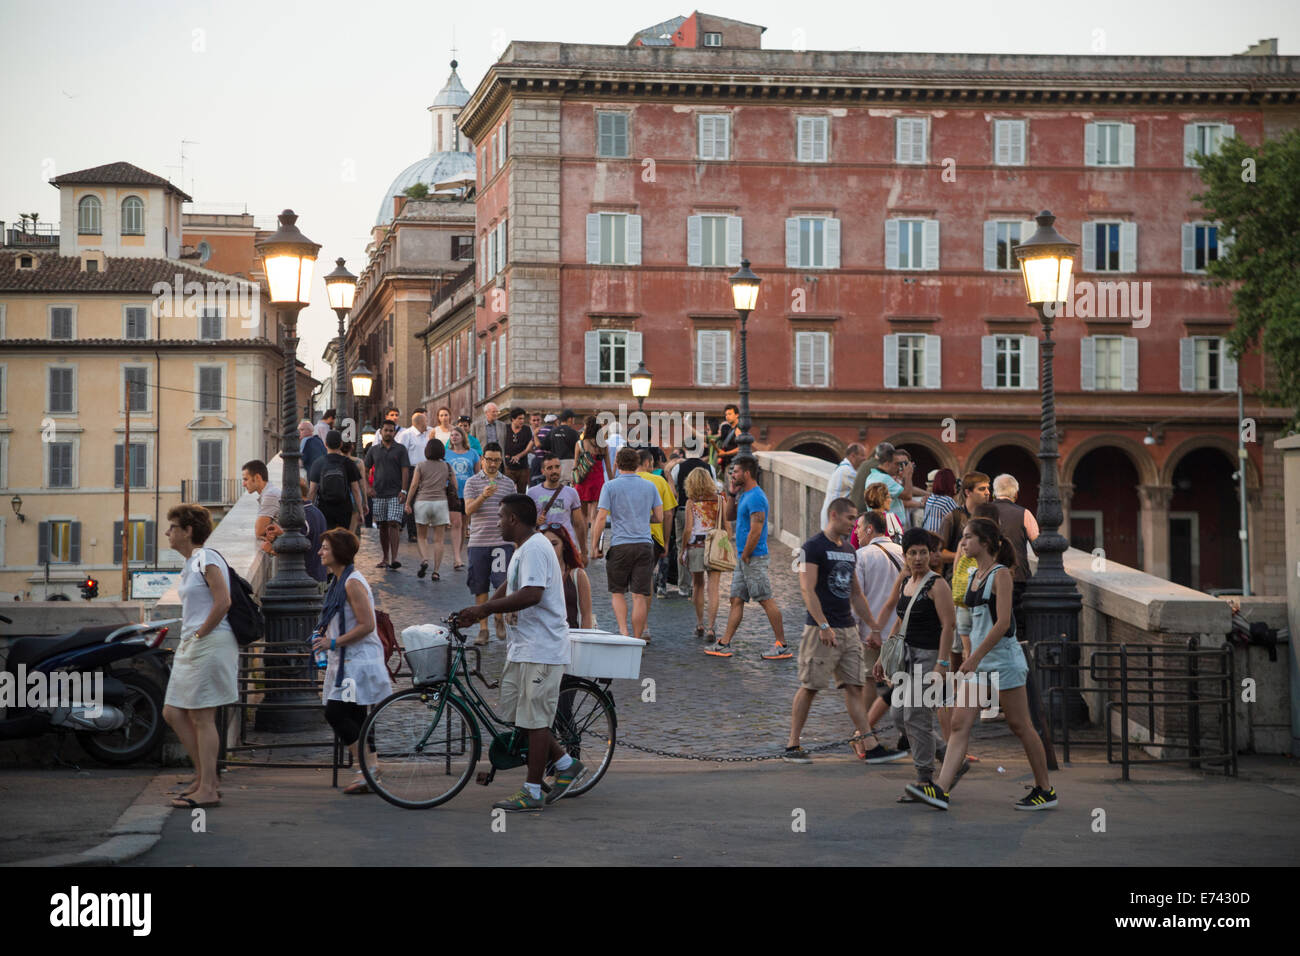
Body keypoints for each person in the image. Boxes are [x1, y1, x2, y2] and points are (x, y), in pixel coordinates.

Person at [908, 517, 1057, 811]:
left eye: (967, 537)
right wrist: (970, 655)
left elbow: (1002, 623)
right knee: (959, 723)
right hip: (979, 666)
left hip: (1003, 662)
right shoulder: (975, 573)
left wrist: (973, 657)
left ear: (985, 542)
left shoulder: (1001, 575)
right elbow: (971, 622)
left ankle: (1045, 789)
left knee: (1020, 725)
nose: (962, 543)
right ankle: (942, 789)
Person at [457, 494, 585, 812]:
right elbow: (511, 589)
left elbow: (531, 595)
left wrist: (484, 607)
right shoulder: (522, 549)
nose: (498, 522)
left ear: (513, 519)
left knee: (536, 718)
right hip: (522, 646)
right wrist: (481, 612)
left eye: (500, 517)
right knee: (520, 716)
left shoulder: (537, 548)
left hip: (541, 648)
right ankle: (566, 763)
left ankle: (532, 792)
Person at [783, 497, 890, 763]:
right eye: (850, 518)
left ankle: (869, 743)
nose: (854, 524)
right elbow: (807, 589)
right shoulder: (812, 547)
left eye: (856, 519)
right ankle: (792, 745)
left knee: (854, 687)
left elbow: (856, 593)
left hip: (848, 629)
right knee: (810, 686)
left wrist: (874, 626)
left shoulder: (849, 550)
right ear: (834, 515)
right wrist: (823, 625)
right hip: (821, 630)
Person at [871, 529, 958, 795]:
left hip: (928, 657)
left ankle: (925, 778)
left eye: (923, 552)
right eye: (912, 553)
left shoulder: (937, 584)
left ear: (931, 555)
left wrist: (941, 665)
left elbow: (949, 625)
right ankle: (951, 756)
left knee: (916, 716)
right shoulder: (906, 582)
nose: (918, 558)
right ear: (905, 556)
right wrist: (883, 656)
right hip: (906, 656)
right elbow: (899, 619)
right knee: (899, 715)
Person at [163, 504, 237, 810]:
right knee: (173, 712)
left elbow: (223, 601)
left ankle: (208, 787)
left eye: (172, 527)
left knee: (203, 717)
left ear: (188, 531)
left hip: (210, 642)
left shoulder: (207, 557)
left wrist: (199, 634)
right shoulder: (191, 562)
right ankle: (204, 777)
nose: (168, 532)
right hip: (194, 644)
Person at [311, 528, 392, 794]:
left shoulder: (351, 582)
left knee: (336, 712)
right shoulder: (339, 581)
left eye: (325, 547)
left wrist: (332, 642)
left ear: (339, 552)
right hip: (348, 662)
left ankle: (367, 767)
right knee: (357, 716)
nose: (320, 551)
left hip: (356, 664)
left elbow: (367, 624)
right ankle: (369, 774)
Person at [708, 458, 787, 659]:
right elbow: (729, 516)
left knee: (765, 599)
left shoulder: (757, 498)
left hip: (753, 557)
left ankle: (782, 645)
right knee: (736, 599)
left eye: (735, 472)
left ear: (747, 473)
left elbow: (756, 529)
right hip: (745, 558)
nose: (732, 475)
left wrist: (745, 555)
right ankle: (725, 643)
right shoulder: (744, 495)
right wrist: (732, 494)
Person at [853, 510, 909, 761]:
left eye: (858, 527)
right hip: (898, 630)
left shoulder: (861, 556)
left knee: (868, 682)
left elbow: (857, 597)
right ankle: (905, 734)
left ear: (869, 529)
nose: (855, 532)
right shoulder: (903, 554)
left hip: (870, 631)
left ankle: (864, 734)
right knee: (899, 682)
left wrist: (858, 629)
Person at [589, 447, 661, 641]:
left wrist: (594, 546)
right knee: (639, 595)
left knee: (618, 592)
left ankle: (624, 633)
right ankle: (637, 639)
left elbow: (601, 517)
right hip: (645, 545)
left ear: (617, 464)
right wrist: (642, 518)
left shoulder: (610, 487)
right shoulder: (649, 486)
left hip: (620, 544)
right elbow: (659, 517)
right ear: (637, 463)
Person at [462, 443, 515, 645]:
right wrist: (483, 496)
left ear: (501, 461)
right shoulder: (472, 483)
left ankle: (498, 618)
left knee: (502, 583)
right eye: (489, 459)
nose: (493, 464)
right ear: (482, 459)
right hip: (478, 541)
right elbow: (468, 510)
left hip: (502, 542)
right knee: (480, 586)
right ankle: (483, 628)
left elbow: (514, 513)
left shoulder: (509, 484)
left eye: (497, 460)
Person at [990, 473, 1041, 642]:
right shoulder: (1024, 514)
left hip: (988, 578)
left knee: (992, 624)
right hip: (1018, 578)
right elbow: (1039, 548)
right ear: (1016, 494)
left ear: (994, 492)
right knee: (1019, 628)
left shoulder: (984, 512)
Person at [680, 465, 728, 642]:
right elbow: (727, 527)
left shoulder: (691, 503)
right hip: (715, 545)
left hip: (696, 546)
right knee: (714, 587)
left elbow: (687, 530)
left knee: (698, 585)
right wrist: (725, 544)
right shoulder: (720, 500)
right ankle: (711, 628)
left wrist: (682, 549)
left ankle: (700, 623)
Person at [363, 419, 411, 570]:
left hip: (396, 493)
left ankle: (395, 558)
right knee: (383, 525)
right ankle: (385, 557)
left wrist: (404, 490)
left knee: (394, 523)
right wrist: (367, 487)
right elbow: (364, 469)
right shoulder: (373, 450)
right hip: (379, 493)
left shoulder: (401, 449)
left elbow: (405, 470)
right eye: (386, 430)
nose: (389, 433)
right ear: (381, 431)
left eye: (391, 430)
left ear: (394, 432)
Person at [406, 437, 455, 582]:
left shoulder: (420, 466)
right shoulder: (447, 466)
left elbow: (414, 485)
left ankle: (425, 560)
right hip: (440, 503)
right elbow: (455, 486)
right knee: (439, 540)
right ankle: (436, 572)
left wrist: (408, 502)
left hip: (422, 502)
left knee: (421, 536)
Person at [637, 448, 678, 601]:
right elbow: (668, 514)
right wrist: (666, 542)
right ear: (648, 462)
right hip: (653, 537)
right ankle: (643, 622)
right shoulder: (659, 480)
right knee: (645, 580)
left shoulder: (623, 480)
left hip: (627, 537)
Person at [308, 430, 366, 532]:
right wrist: (360, 511)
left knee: (327, 537)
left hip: (324, 508)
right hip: (344, 508)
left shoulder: (318, 463)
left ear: (325, 444)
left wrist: (308, 512)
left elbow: (312, 491)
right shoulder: (348, 463)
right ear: (340, 444)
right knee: (342, 539)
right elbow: (356, 490)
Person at [528, 452, 586, 550]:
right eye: (550, 468)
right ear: (542, 471)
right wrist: (536, 522)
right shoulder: (532, 493)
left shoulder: (571, 492)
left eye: (557, 467)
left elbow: (579, 524)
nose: (554, 471)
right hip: (543, 545)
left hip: (567, 544)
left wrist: (583, 551)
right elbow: (525, 523)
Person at [542, 524, 594, 629]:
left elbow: (586, 615)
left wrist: (584, 642)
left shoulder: (578, 575)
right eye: (546, 545)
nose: (550, 549)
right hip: (544, 638)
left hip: (571, 637)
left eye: (554, 544)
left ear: (564, 546)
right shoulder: (537, 574)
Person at [445, 426, 480, 571]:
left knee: (464, 526)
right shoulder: (446, 453)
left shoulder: (472, 453)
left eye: (457, 435)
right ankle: (457, 557)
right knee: (456, 523)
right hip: (452, 493)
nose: (454, 437)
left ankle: (457, 555)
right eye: (452, 435)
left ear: (462, 437)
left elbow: (478, 474)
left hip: (469, 493)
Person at [573, 416, 608, 555]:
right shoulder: (603, 445)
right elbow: (609, 469)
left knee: (582, 517)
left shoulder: (580, 444)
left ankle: (583, 550)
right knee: (595, 517)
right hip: (598, 482)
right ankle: (594, 549)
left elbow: (575, 466)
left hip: (582, 482)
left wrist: (573, 482)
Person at [396, 410, 432, 543]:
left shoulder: (429, 432)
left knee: (424, 500)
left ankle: (422, 530)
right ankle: (412, 532)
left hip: (427, 469)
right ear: (418, 423)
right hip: (412, 469)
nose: (427, 424)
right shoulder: (406, 435)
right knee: (412, 501)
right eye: (425, 422)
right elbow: (401, 453)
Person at [849, 442, 906, 524]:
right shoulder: (879, 468)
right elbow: (905, 494)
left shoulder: (866, 463)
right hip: (864, 512)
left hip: (857, 509)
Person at [820, 444, 868, 527]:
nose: (865, 459)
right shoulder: (847, 471)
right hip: (835, 518)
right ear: (853, 456)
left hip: (833, 515)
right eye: (862, 455)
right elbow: (864, 488)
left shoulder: (843, 467)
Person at [241, 459, 280, 548]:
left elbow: (259, 531)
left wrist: (263, 531)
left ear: (257, 478)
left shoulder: (270, 495)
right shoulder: (270, 491)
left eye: (246, 479)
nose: (243, 484)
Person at [300, 477, 329, 584]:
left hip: (308, 578)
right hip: (320, 574)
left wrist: (272, 549)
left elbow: (297, 547)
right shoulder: (317, 512)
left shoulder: (303, 517)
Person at [502, 407, 535, 493]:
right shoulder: (505, 428)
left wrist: (518, 456)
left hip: (523, 467)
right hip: (508, 467)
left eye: (523, 418)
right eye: (519, 418)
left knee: (522, 493)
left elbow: (529, 447)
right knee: (508, 491)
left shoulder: (526, 429)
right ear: (513, 419)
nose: (522, 421)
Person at [546, 409, 581, 485]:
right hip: (569, 463)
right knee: (568, 487)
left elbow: (544, 446)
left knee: (556, 486)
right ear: (570, 419)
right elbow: (579, 449)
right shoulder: (573, 433)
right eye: (573, 418)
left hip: (554, 462)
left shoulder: (553, 431)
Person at [922, 468, 960, 532]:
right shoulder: (947, 501)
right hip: (938, 539)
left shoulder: (931, 498)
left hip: (928, 538)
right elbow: (959, 521)